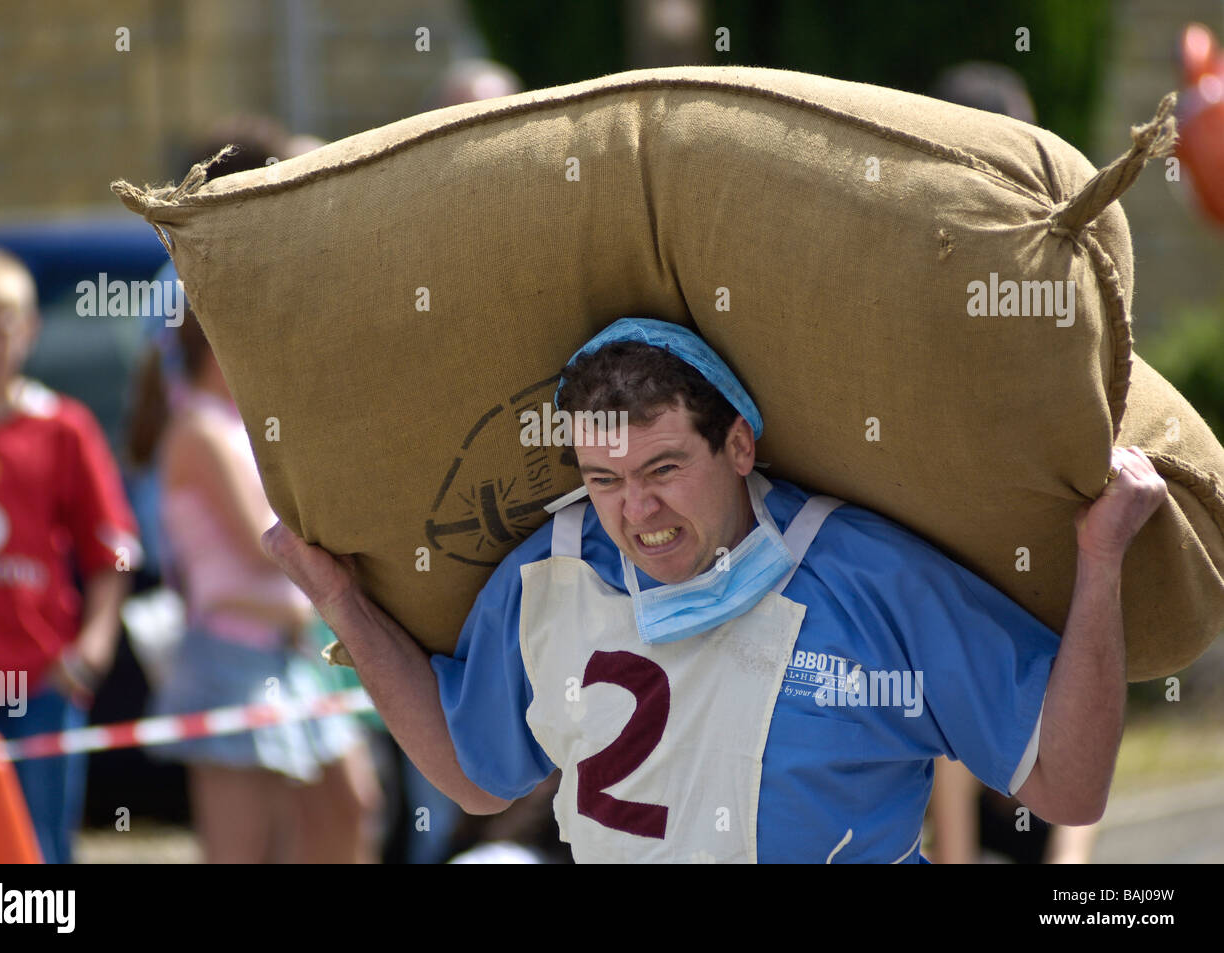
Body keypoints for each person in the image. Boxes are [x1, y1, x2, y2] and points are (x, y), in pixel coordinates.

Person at [263, 317, 1167, 863]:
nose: (637, 510)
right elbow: (474, 772)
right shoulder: (549, 572)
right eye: (604, 478)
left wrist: (1099, 564)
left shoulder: (871, 576)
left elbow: (1067, 787)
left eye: (664, 467)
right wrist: (340, 599)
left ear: (739, 445)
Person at [138, 305, 383, 863]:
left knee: (348, 806)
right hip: (232, 660)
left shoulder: (239, 426)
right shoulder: (199, 428)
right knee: (246, 850)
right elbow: (263, 538)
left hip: (292, 656)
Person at [0, 246, 139, 863]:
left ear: (30, 330)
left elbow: (113, 550)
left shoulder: (62, 428)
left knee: (38, 852)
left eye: (1, 328)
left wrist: (92, 649)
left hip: (41, 685)